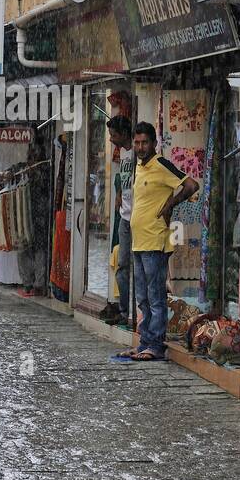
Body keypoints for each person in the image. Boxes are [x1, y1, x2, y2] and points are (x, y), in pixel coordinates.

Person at [114, 121, 199, 362]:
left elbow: (191, 185)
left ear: (154, 143)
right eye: (137, 142)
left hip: (155, 242)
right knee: (142, 297)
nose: (140, 147)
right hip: (139, 242)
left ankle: (156, 345)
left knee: (155, 295)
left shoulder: (161, 164)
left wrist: (170, 204)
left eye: (145, 142)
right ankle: (145, 343)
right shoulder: (140, 167)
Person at [102, 116, 134, 326]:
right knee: (122, 265)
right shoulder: (123, 153)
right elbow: (124, 178)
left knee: (137, 267)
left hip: (137, 218)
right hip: (125, 216)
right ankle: (124, 310)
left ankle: (134, 312)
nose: (112, 139)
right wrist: (120, 193)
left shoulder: (136, 153)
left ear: (123, 134)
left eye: (114, 135)